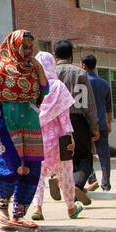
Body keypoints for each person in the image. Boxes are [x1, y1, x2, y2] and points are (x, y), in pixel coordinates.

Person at [0, 28, 48, 229]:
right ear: (14, 46)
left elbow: (45, 90)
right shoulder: (2, 66)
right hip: (6, 120)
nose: (27, 51)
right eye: (23, 47)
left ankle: (19, 213)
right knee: (10, 164)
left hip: (30, 122)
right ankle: (2, 205)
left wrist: (39, 67)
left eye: (30, 47)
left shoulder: (33, 68)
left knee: (31, 168)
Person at [28, 52, 84, 220]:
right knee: (66, 172)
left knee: (37, 173)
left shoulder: (33, 88)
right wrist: (70, 137)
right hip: (59, 139)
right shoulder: (58, 87)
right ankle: (70, 207)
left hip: (38, 138)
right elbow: (64, 117)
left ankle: (37, 207)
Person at [53, 40, 98, 197]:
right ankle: (78, 184)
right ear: (71, 55)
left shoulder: (49, 73)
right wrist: (94, 126)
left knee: (62, 155)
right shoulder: (80, 73)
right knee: (84, 156)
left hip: (55, 120)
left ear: (55, 55)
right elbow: (89, 102)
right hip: (77, 119)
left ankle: (57, 177)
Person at [81, 54, 113, 191]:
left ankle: (92, 179)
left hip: (85, 123)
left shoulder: (81, 82)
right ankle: (106, 184)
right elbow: (108, 106)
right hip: (101, 123)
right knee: (104, 154)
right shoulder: (104, 84)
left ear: (83, 65)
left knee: (86, 153)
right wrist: (109, 122)